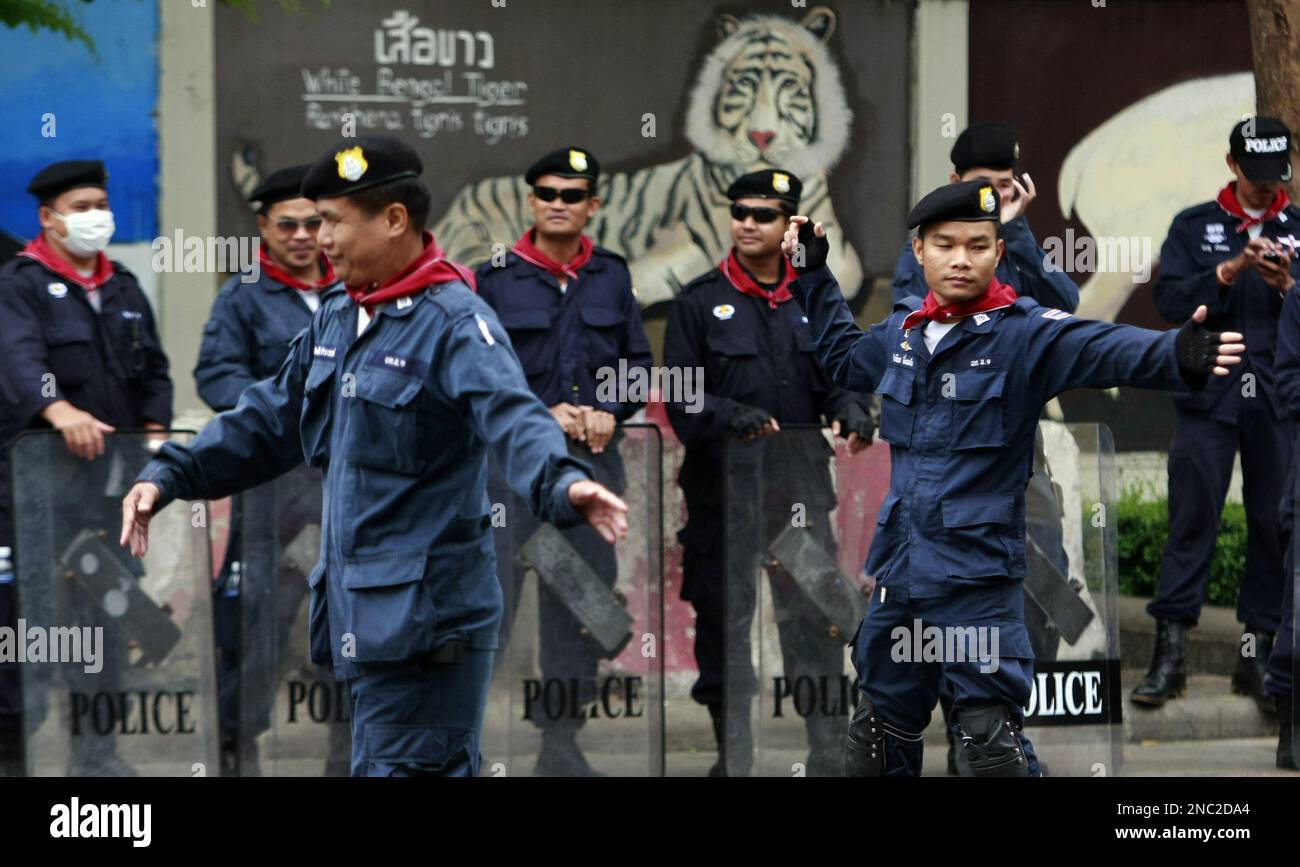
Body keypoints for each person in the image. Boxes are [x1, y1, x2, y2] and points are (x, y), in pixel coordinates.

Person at [119, 135, 629, 777]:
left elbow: (511, 411)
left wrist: (563, 482)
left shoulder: (454, 321)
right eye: (313, 220)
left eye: (333, 220)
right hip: (368, 614)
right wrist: (171, 473)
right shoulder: (342, 313)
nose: (320, 238)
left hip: (428, 622)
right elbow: (271, 415)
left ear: (394, 220)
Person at [784, 178, 1246, 776]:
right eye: (945, 245)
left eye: (978, 245)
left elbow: (1103, 346)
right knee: (874, 741)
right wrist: (816, 277)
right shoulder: (904, 334)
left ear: (998, 254)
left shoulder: (1024, 332)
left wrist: (1175, 352)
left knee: (987, 745)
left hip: (976, 578)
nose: (961, 259)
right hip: (901, 574)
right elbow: (844, 357)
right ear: (918, 252)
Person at [663, 168, 875, 776]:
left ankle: (830, 755)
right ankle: (734, 758)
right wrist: (735, 417)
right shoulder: (697, 301)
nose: (748, 224)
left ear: (790, 226)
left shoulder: (815, 296)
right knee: (725, 635)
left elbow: (840, 379)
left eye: (764, 215)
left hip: (800, 496)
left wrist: (853, 410)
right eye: (740, 213)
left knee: (816, 627)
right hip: (722, 500)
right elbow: (683, 401)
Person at [895, 122, 1082, 774]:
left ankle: (999, 732)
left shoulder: (1009, 239)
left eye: (1004, 188)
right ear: (955, 182)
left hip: (1017, 451)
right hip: (946, 461)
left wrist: (1018, 231)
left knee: (1043, 586)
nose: (994, 199)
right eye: (984, 187)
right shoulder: (932, 244)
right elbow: (905, 330)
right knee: (943, 605)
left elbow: (1067, 308)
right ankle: (974, 735)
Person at [476, 147, 653, 776]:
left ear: (592, 205)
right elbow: (479, 371)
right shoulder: (492, 277)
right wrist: (536, 412)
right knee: (485, 608)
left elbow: (637, 364)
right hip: (506, 476)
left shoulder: (610, 274)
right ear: (530, 202)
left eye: (571, 195)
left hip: (590, 471)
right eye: (546, 193)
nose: (558, 204)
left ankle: (560, 744)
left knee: (578, 609)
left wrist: (609, 406)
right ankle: (459, 744)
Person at [0, 160, 173, 776]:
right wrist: (58, 409)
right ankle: (18, 754)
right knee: (33, 625)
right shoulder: (19, 283)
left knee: (109, 620)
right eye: (80, 207)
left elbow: (153, 369)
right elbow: (18, 360)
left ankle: (96, 758)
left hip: (113, 491)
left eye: (101, 202)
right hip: (41, 493)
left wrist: (156, 432)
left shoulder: (123, 286)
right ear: (48, 218)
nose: (95, 215)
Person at [1133, 117, 1299, 712]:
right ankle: (1169, 657)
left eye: (1274, 176)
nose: (1263, 188)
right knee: (1191, 521)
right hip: (1209, 396)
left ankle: (1256, 661)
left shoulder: (1297, 228)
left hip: (1279, 402)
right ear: (1232, 165)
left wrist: (1287, 285)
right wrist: (1230, 270)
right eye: (1253, 176)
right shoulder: (1194, 225)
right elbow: (1170, 300)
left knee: (1273, 528)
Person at [194, 163, 344, 775]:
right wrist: (283, 408)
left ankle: (350, 755)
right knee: (258, 630)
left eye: (315, 222)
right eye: (289, 225)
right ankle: (239, 750)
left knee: (347, 629)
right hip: (271, 495)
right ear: (263, 226)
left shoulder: (352, 288)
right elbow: (215, 376)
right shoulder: (243, 295)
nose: (305, 236)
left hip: (342, 492)